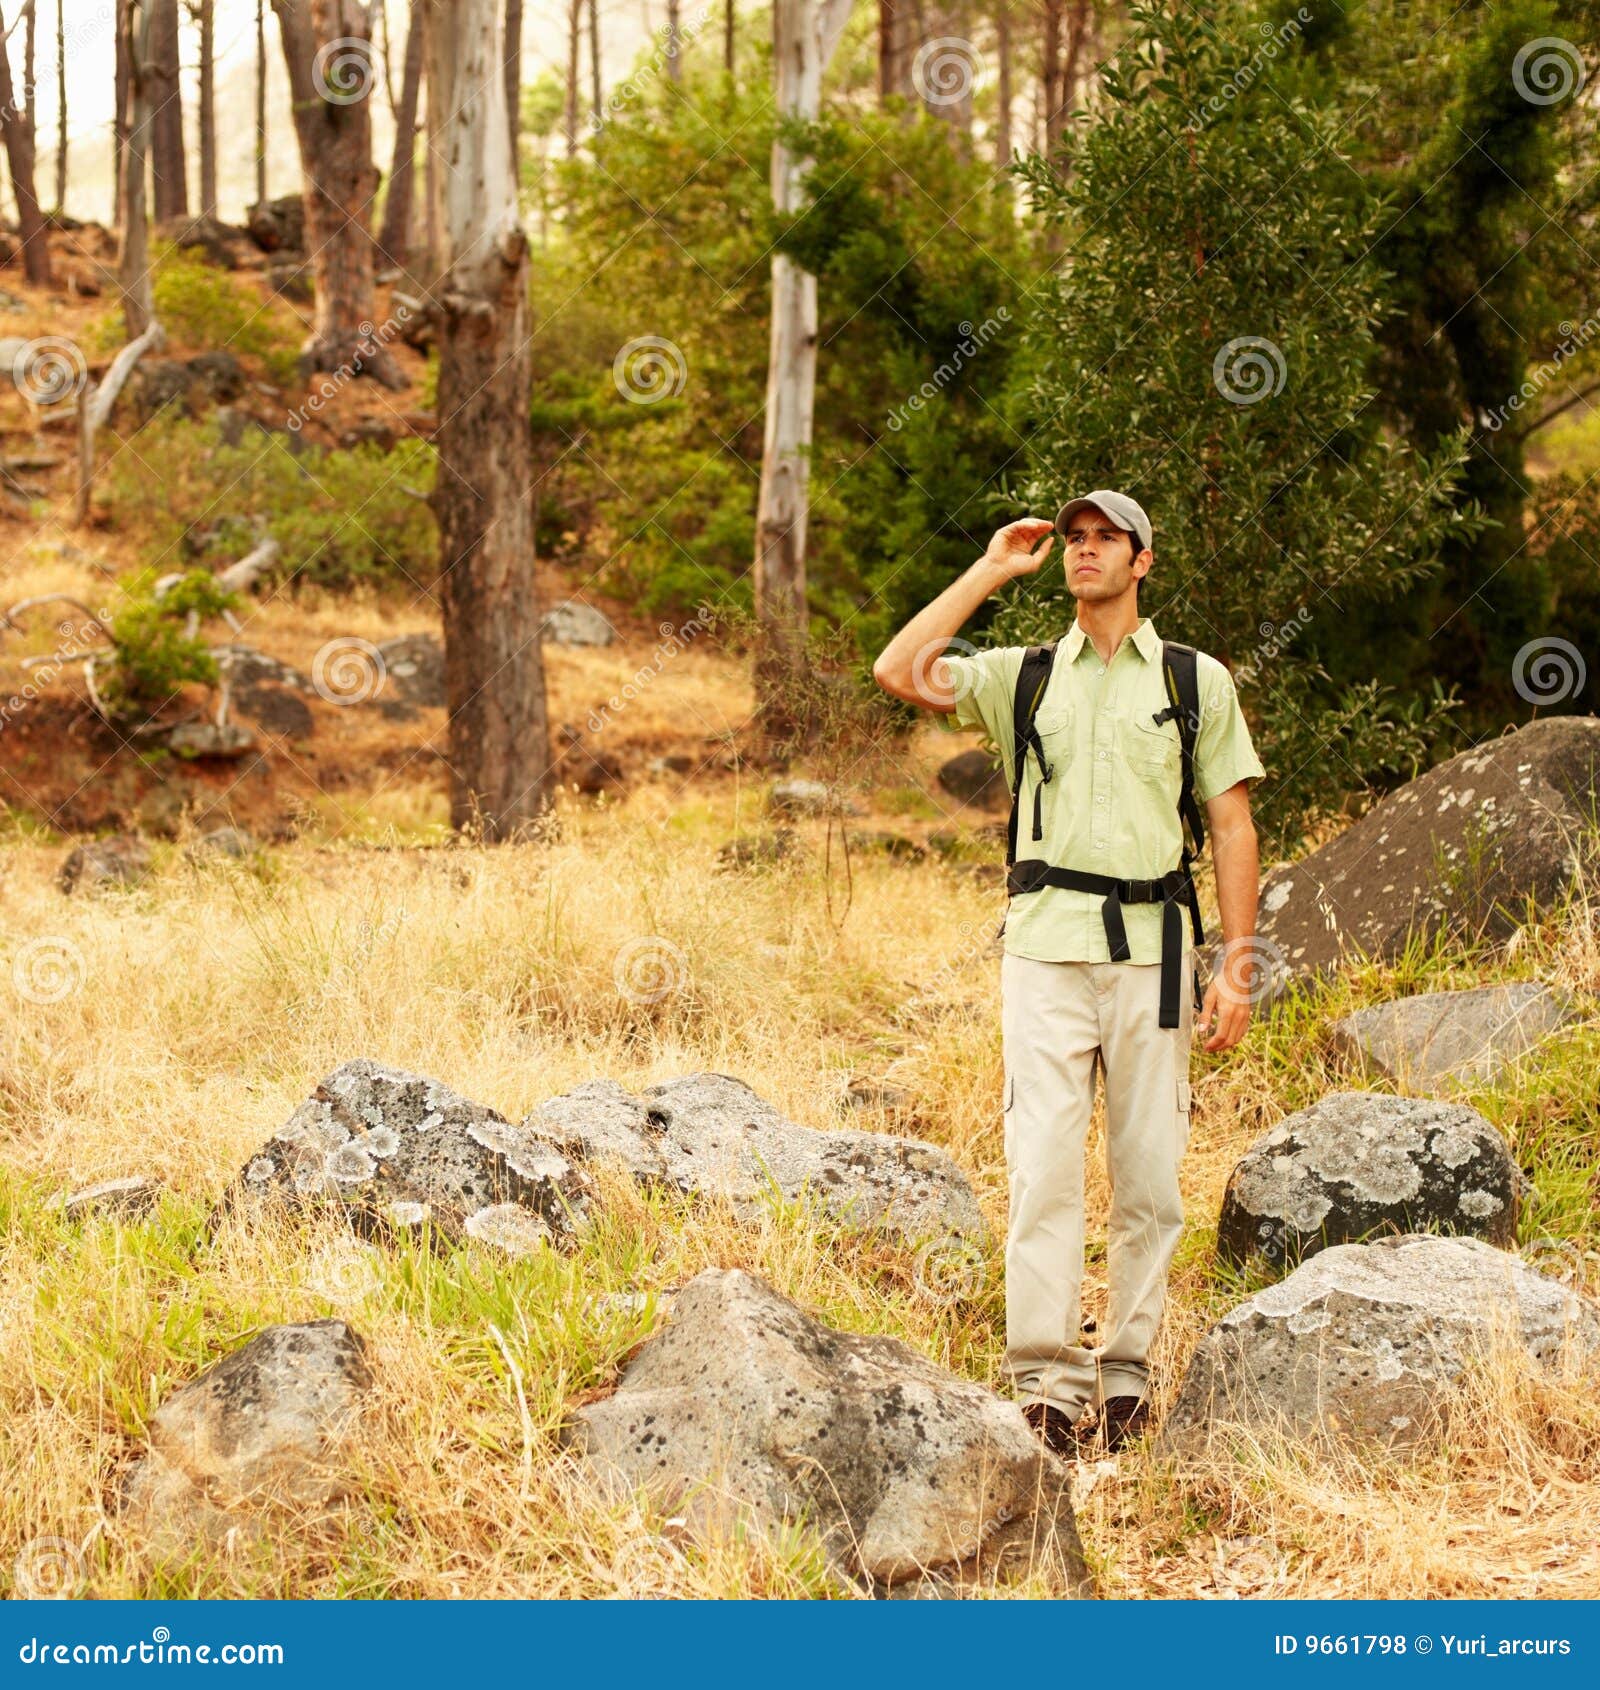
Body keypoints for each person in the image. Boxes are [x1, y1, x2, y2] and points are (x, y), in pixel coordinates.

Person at [871, 491, 1265, 1456]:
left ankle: (1125, 1381)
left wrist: (1238, 968)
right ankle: (1045, 1388)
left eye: (1106, 541)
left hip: (1155, 950)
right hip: (1044, 948)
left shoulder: (1192, 679)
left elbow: (1231, 824)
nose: (1086, 552)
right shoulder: (1022, 675)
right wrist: (994, 568)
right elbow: (898, 669)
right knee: (1042, 1170)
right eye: (1075, 540)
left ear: (1143, 562)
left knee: (1149, 1180)